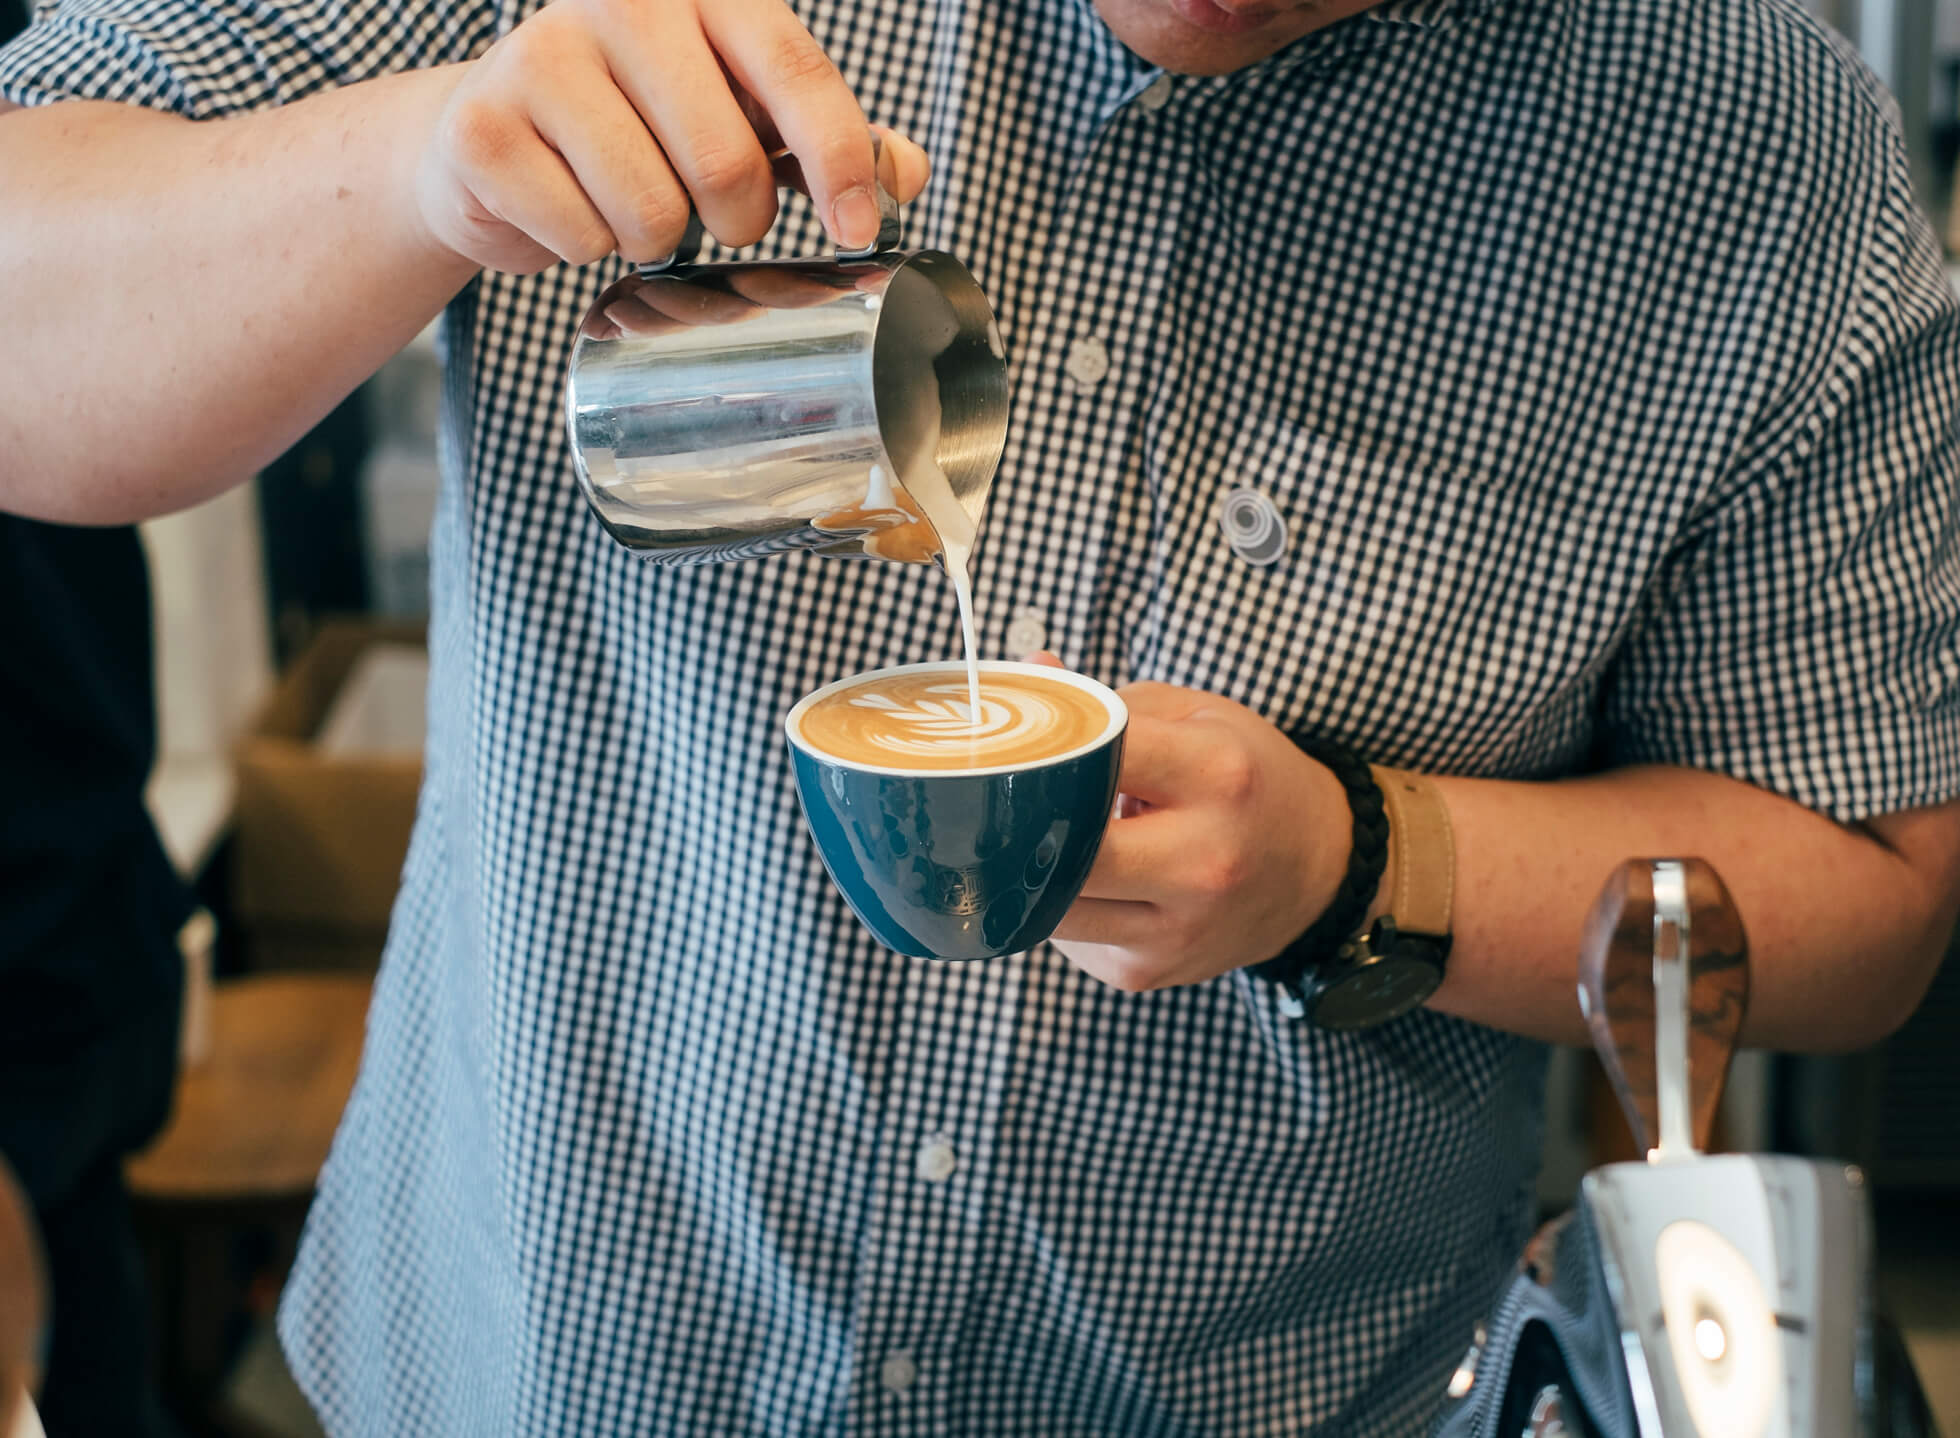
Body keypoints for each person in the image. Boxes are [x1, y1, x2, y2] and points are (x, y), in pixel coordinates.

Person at [4, 0, 1959, 1430]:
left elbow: (1863, 890)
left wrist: (1353, 859)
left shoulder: (1741, 155)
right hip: (527, 1360)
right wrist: (429, 162)